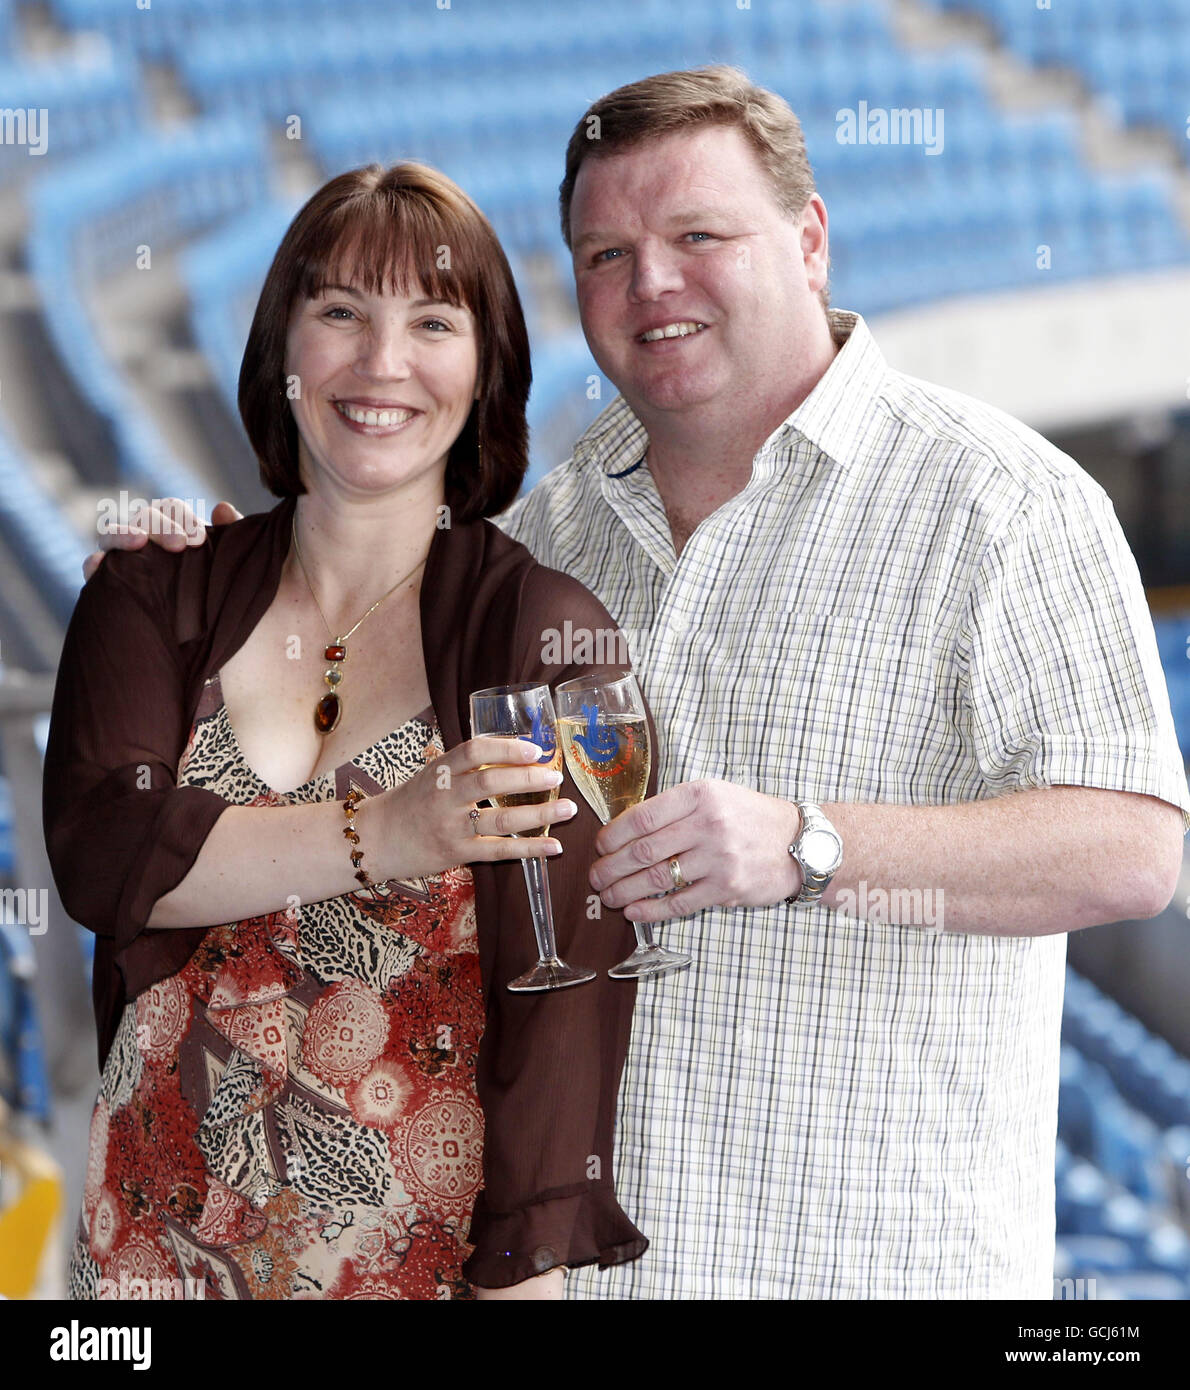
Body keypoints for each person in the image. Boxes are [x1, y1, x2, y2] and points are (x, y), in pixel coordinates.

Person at [87, 68, 1190, 1300]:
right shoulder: (545, 536)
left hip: (865, 1267)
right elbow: (329, 634)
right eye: (605, 252)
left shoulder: (1003, 504)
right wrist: (207, 574)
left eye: (697, 236)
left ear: (809, 240)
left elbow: (1134, 851)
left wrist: (807, 848)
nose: (649, 283)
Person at [45, 161, 652, 1301]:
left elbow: (562, 1003)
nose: (382, 364)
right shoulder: (154, 592)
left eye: (431, 321)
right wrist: (394, 827)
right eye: (340, 314)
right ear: (281, 349)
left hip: (400, 1268)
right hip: (141, 1257)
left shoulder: (542, 633)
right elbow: (106, 859)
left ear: (484, 374)